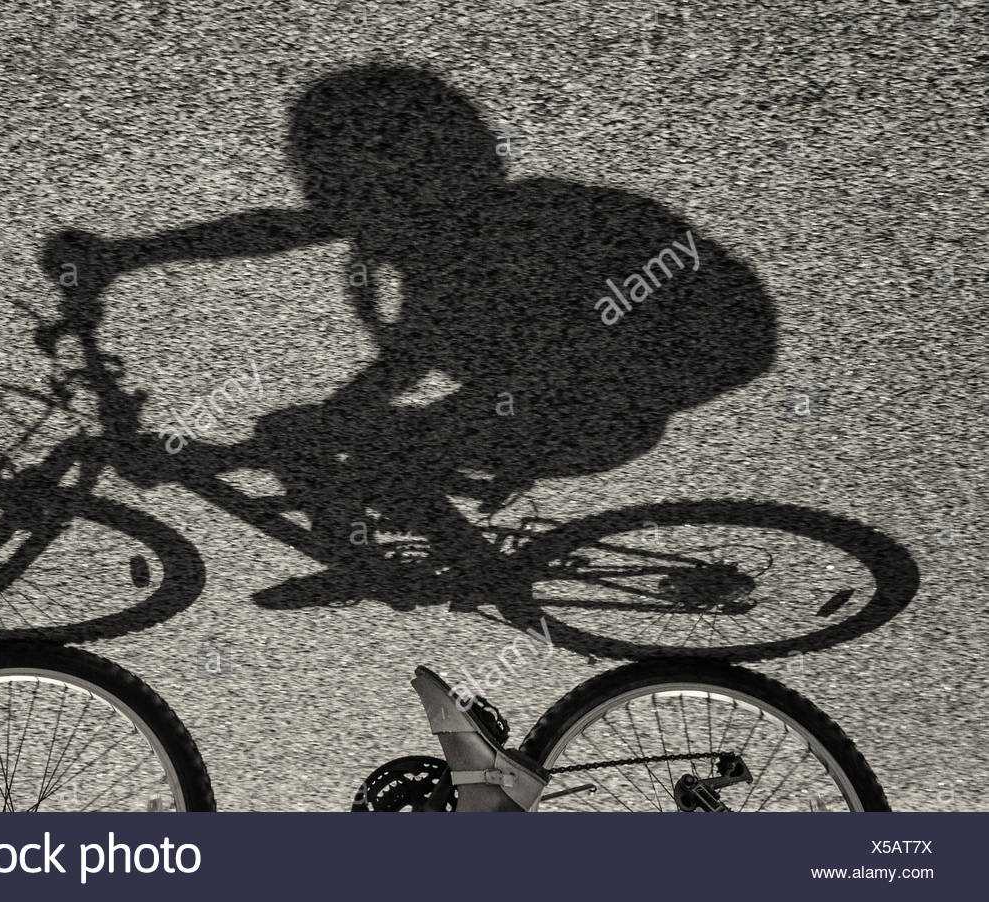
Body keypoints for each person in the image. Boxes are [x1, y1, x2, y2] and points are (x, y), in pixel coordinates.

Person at [37, 65, 776, 556]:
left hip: (623, 390)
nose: (328, 197)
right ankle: (379, 535)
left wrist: (323, 424)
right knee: (321, 434)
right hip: (591, 377)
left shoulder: (496, 229)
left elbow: (420, 350)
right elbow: (269, 231)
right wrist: (121, 256)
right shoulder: (434, 210)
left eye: (336, 172)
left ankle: (426, 560)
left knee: (330, 436)